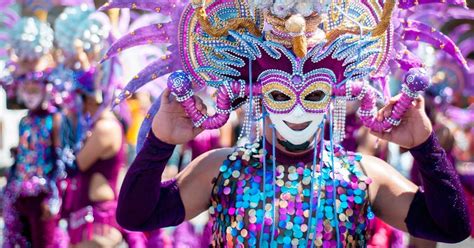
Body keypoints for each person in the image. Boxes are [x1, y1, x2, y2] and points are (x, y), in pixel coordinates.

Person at [101, 0, 471, 246]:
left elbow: (452, 228)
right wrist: (160, 142)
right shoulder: (222, 169)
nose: (297, 111)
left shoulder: (361, 175)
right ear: (259, 96)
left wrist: (424, 145)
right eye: (280, 95)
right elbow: (136, 215)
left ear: (332, 98)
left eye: (312, 95)